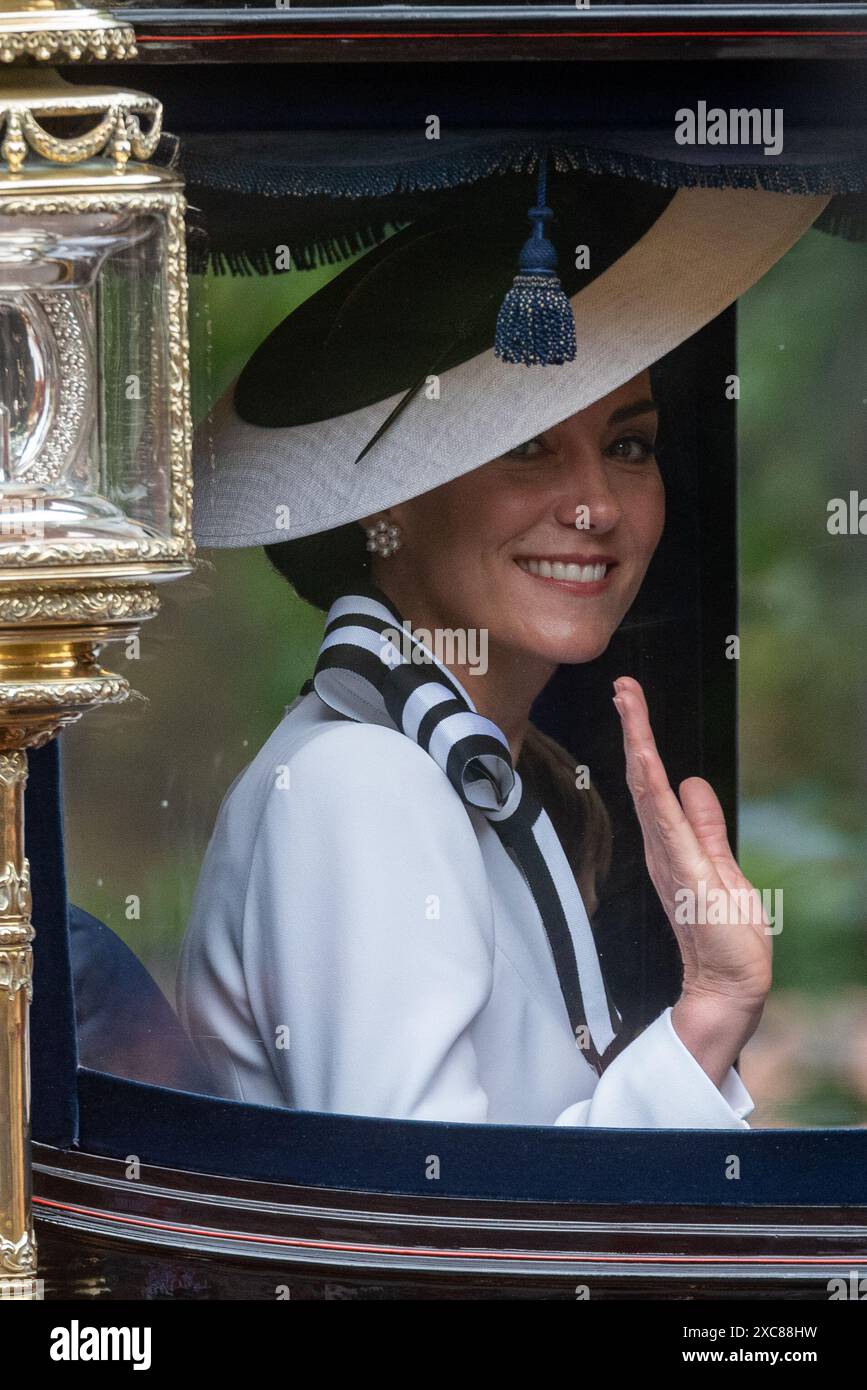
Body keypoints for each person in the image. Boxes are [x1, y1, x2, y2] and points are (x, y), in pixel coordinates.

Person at [177, 164, 830, 1126]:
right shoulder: (367, 780)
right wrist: (708, 1016)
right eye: (525, 446)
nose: (596, 506)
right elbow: (434, 1235)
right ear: (390, 495)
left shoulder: (456, 773)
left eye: (628, 447)